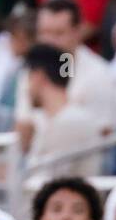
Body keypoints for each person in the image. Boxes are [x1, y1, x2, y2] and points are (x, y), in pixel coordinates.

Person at [14, 0, 116, 149]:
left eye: (58, 33)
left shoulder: (99, 74)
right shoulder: (32, 71)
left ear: (78, 32)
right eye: (44, 33)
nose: (49, 41)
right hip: (37, 162)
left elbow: (104, 136)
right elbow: (23, 127)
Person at [22, 43, 106, 178]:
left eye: (28, 79)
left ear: (38, 76)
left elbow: (46, 181)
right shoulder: (54, 121)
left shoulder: (70, 122)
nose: (26, 88)